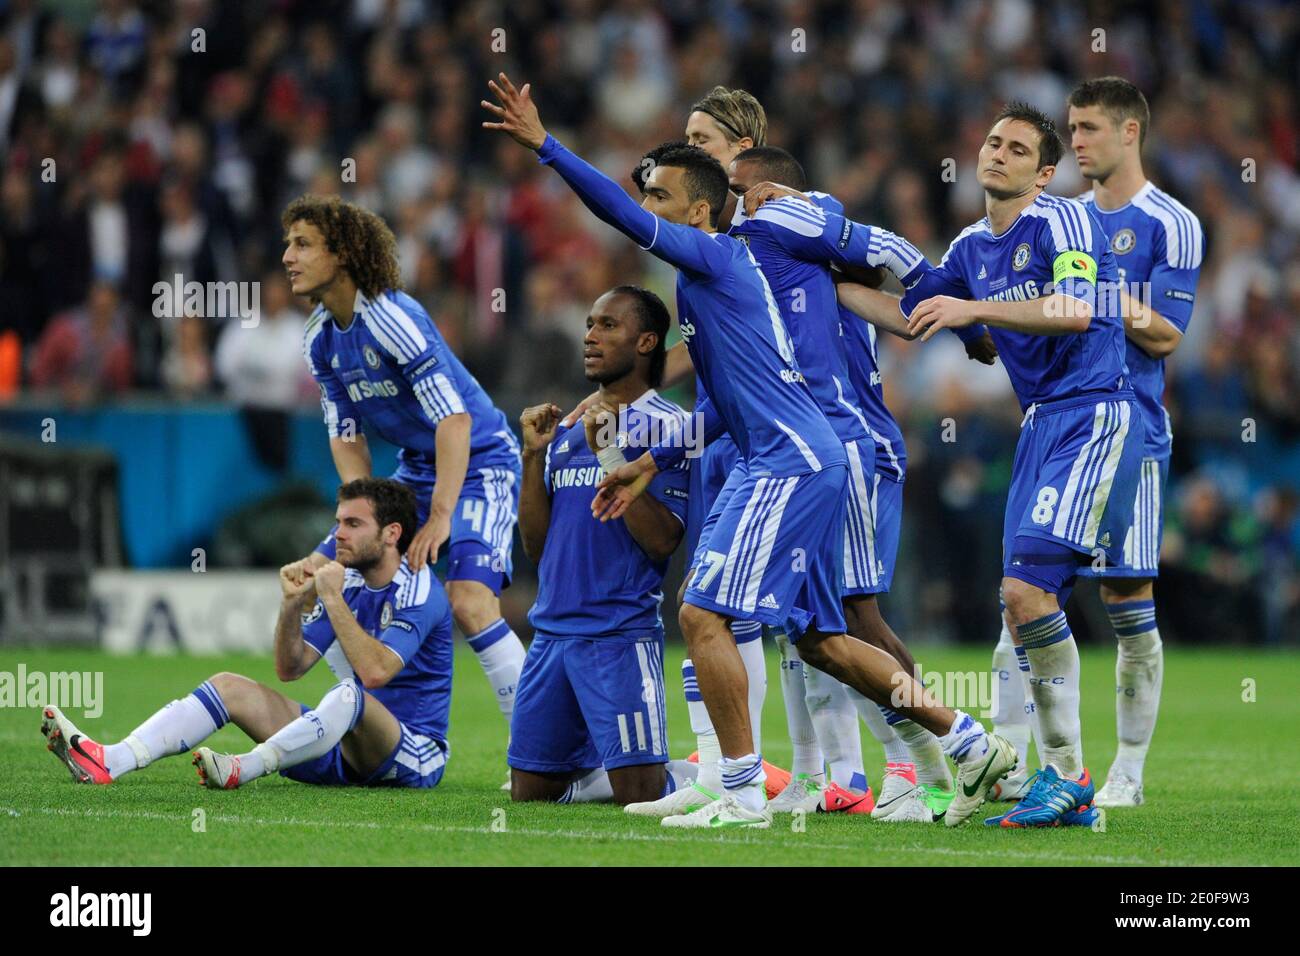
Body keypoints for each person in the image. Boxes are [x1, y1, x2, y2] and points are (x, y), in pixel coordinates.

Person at [483, 72, 1014, 830]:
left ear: (699, 208)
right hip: (789, 453)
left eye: (660, 196)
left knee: (704, 613)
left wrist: (546, 147)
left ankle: (737, 788)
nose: (648, 210)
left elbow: (621, 215)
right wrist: (649, 462)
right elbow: (735, 406)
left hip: (791, 461)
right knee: (823, 638)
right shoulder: (716, 283)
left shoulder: (721, 255)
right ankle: (964, 740)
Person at [901, 102, 1144, 828]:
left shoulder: (1062, 221)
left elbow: (1072, 309)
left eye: (1017, 148)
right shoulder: (971, 246)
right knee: (1020, 600)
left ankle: (1067, 775)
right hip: (1040, 425)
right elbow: (917, 307)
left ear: (1043, 173)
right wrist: (818, 275)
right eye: (992, 141)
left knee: (1026, 594)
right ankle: (1041, 782)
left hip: (1093, 408)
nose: (997, 153)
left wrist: (972, 313)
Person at [280, 195, 526, 739]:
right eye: (288, 244)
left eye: (302, 244)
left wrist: (440, 516)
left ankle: (540, 750)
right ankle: (368, 730)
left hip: (481, 461)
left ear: (341, 253)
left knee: (469, 601)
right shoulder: (319, 337)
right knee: (323, 576)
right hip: (418, 466)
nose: (287, 257)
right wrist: (359, 515)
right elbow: (346, 437)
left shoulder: (392, 318)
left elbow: (456, 422)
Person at [41, 478, 454, 791]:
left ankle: (243, 768)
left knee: (349, 694)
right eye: (338, 522)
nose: (338, 534)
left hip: (412, 754)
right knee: (228, 686)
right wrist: (292, 605)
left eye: (353, 523)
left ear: (391, 534)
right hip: (340, 745)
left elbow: (376, 673)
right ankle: (109, 760)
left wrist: (331, 599)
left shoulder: (420, 590)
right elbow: (289, 669)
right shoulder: (345, 582)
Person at [1063, 76, 1203, 808]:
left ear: (1129, 133)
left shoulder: (1169, 223)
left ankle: (1129, 772)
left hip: (1131, 433)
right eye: (1072, 128)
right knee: (1027, 592)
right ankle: (1044, 766)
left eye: (1087, 128)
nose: (1076, 142)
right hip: (1058, 432)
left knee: (1125, 597)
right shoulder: (1062, 219)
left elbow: (1170, 333)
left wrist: (1093, 292)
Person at [511, 286, 698, 805]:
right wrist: (531, 457)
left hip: (618, 634)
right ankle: (610, 766)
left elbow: (663, 541)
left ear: (646, 342)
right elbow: (537, 546)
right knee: (531, 793)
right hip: (551, 634)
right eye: (590, 324)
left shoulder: (669, 427)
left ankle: (717, 778)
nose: (590, 336)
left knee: (639, 796)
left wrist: (611, 454)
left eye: (607, 326)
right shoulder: (567, 426)